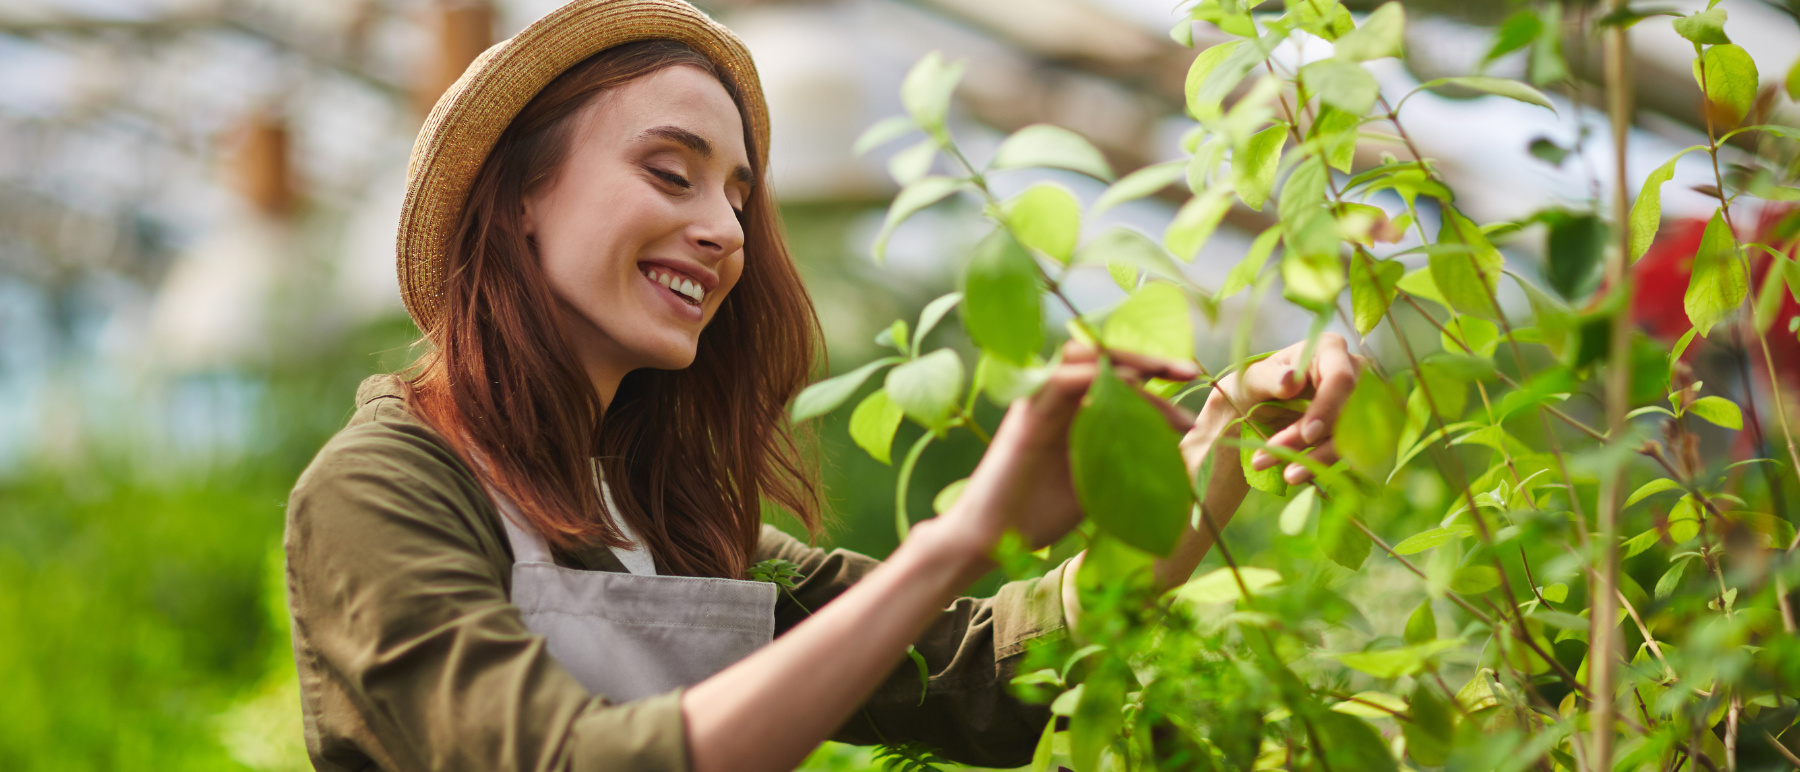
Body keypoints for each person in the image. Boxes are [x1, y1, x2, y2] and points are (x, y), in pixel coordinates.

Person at [282, 2, 1363, 771]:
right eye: (671, 172)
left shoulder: (657, 517)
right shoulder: (383, 491)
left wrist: (1218, 446)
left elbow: (985, 677)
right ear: (518, 194)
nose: (722, 227)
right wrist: (956, 540)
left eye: (740, 197)